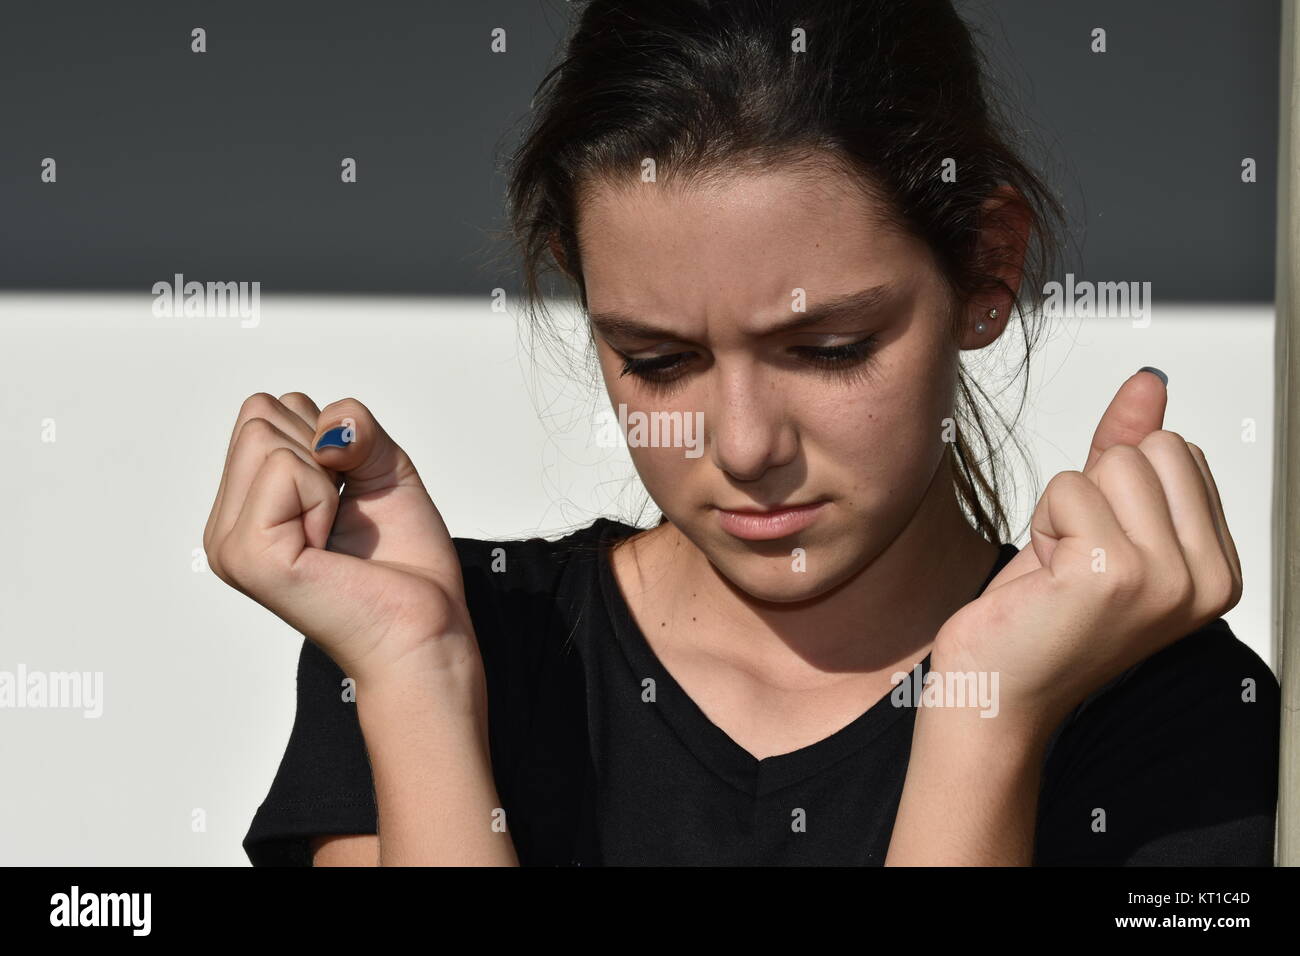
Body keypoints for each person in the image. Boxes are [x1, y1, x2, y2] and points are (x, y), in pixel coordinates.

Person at [209, 0, 1279, 865]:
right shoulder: (438, 635)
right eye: (658, 360)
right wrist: (416, 673)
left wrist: (984, 719)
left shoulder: (1173, 717)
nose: (744, 444)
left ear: (987, 267)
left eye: (827, 347)